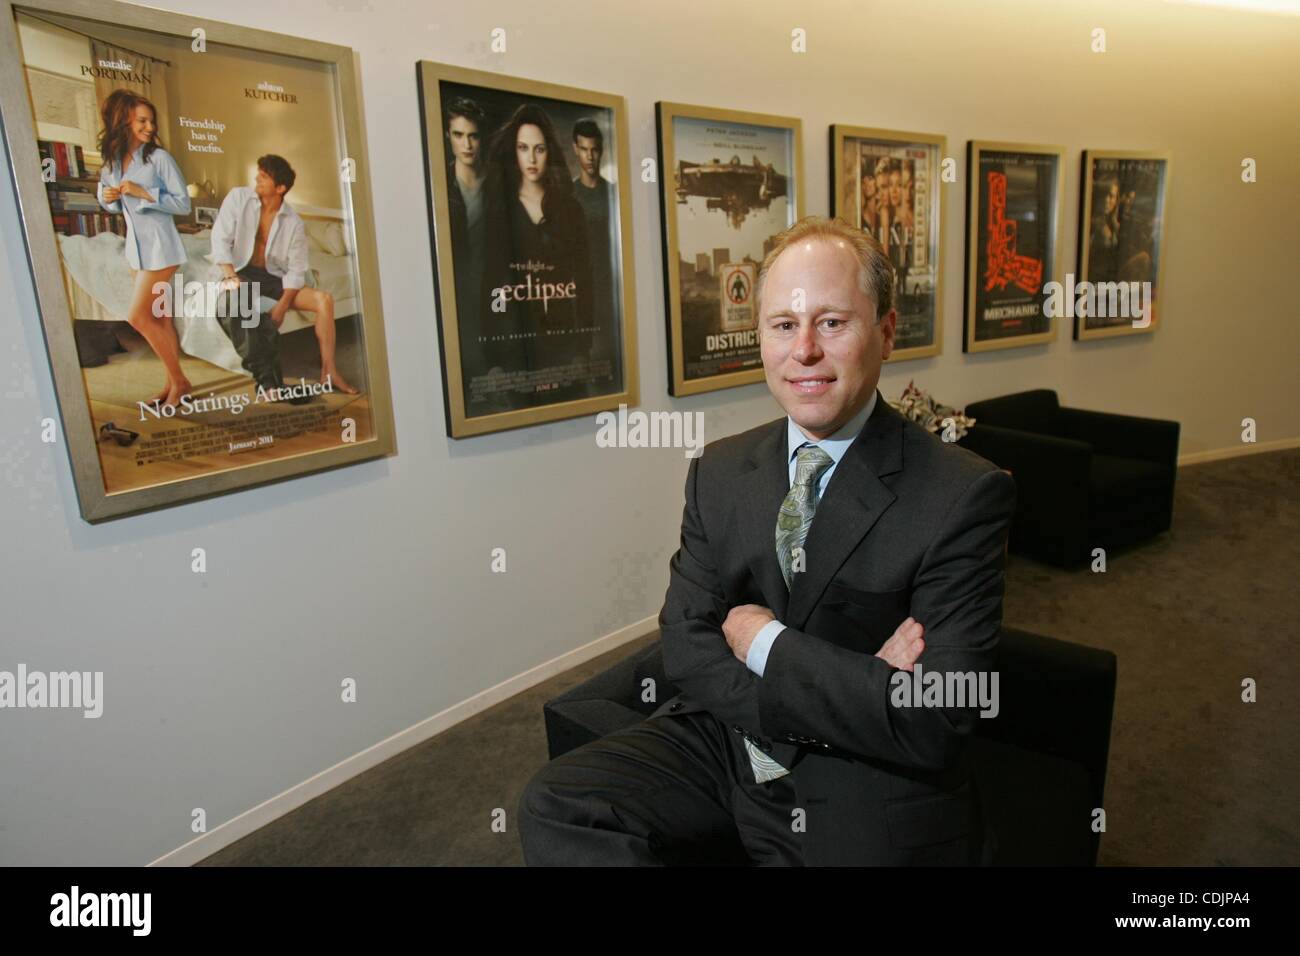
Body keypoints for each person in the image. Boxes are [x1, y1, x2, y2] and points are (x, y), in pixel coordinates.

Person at [518, 216, 1017, 865]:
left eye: (832, 323)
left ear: (887, 332)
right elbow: (690, 646)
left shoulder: (961, 494)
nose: (804, 350)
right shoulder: (720, 470)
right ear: (760, 338)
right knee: (557, 802)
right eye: (784, 325)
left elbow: (940, 715)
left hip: (863, 773)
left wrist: (765, 643)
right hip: (728, 740)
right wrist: (863, 680)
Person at [210, 154, 357, 396]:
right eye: (259, 172)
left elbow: (297, 270)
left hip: (272, 277)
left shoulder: (294, 223)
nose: (257, 178)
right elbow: (220, 239)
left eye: (264, 176)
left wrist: (282, 307)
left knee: (324, 301)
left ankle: (329, 371)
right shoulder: (238, 198)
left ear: (280, 188)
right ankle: (266, 378)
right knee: (234, 303)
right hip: (238, 271)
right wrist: (229, 275)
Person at [478, 103, 593, 404]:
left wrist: (583, 348)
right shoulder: (498, 209)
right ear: (513, 152)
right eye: (523, 148)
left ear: (549, 152)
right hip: (516, 353)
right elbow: (491, 284)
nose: (531, 158)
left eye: (539, 149)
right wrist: (493, 359)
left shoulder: (569, 209)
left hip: (564, 350)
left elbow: (583, 280)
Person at [95, 89, 192, 407]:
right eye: (142, 120)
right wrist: (107, 200)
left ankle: (179, 381)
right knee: (161, 319)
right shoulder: (110, 163)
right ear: (123, 121)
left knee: (138, 317)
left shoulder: (159, 159)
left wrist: (144, 191)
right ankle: (172, 384)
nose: (150, 127)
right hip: (136, 251)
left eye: (152, 121)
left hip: (162, 248)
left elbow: (183, 204)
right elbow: (109, 204)